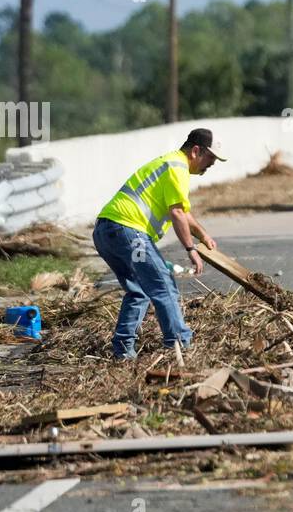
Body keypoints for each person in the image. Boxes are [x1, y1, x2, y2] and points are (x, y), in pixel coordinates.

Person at [92, 128, 223, 360]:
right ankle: (179, 345)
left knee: (139, 290)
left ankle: (123, 351)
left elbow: (183, 212)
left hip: (106, 232)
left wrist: (203, 235)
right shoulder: (178, 168)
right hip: (129, 233)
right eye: (210, 159)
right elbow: (177, 214)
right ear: (195, 151)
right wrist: (191, 248)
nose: (211, 165)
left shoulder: (170, 164)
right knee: (162, 283)